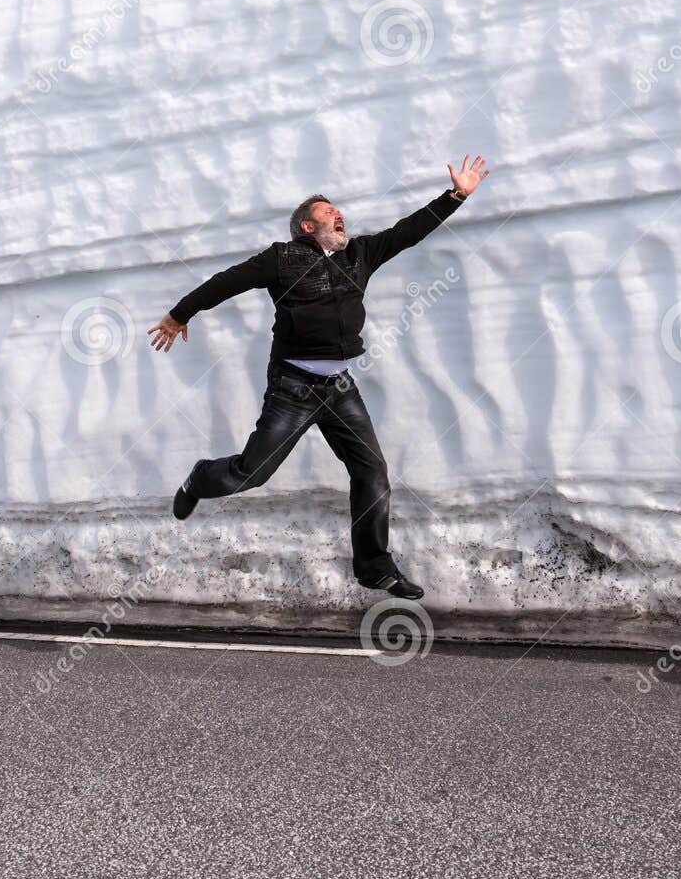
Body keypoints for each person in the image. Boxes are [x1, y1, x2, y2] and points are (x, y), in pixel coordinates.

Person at [148, 155, 489, 598]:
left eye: (338, 211)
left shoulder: (361, 253)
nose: (338, 215)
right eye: (329, 212)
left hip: (341, 387)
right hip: (293, 388)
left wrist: (456, 195)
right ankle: (200, 478)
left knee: (372, 472)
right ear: (307, 226)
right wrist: (179, 314)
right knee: (253, 473)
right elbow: (225, 282)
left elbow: (410, 231)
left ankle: (374, 568)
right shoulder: (281, 259)